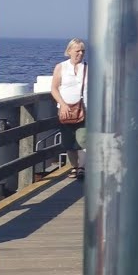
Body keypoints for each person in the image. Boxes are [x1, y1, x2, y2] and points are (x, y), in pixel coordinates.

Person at [50, 38, 88, 179]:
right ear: (69, 51)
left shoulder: (88, 67)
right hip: (66, 110)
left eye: (83, 51)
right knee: (69, 142)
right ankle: (74, 166)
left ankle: (82, 168)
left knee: (83, 140)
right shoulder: (61, 67)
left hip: (84, 109)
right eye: (77, 50)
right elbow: (54, 88)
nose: (80, 53)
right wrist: (63, 104)